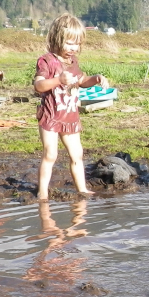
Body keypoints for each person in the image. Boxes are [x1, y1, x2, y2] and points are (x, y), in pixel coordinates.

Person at [34, 13, 106, 201]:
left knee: (77, 154)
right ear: (57, 38)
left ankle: (82, 189)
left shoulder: (73, 62)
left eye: (77, 44)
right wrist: (58, 79)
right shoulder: (47, 61)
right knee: (50, 154)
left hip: (70, 117)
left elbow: (81, 80)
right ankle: (43, 192)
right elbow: (38, 86)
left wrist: (96, 79)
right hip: (51, 116)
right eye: (69, 43)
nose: (74, 48)